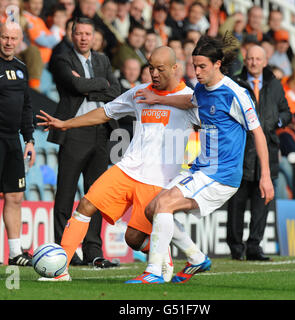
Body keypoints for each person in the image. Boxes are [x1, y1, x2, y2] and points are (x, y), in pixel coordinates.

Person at [37, 45, 199, 281]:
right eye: (151, 68)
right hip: (127, 169)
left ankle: (163, 255)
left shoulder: (190, 99)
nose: (153, 73)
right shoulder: (140, 92)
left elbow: (212, 124)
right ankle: (60, 270)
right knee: (85, 204)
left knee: (133, 239)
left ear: (175, 68)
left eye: (160, 69)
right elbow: (106, 112)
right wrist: (66, 123)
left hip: (158, 180)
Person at [124, 35, 275, 284]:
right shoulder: (202, 90)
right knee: (153, 209)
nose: (197, 71)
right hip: (200, 168)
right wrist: (159, 98)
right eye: (195, 66)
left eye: (202, 66)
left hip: (221, 174)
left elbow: (258, 132)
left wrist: (266, 177)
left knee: (164, 207)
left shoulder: (235, 93)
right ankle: (196, 258)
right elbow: (189, 101)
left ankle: (153, 272)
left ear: (217, 64)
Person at [48, 17, 121, 267]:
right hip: (74, 132)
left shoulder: (102, 59)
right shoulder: (61, 59)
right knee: (66, 193)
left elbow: (116, 91)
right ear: (72, 35)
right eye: (79, 33)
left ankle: (93, 253)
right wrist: (99, 84)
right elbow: (75, 85)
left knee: (96, 195)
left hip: (101, 130)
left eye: (87, 34)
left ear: (93, 36)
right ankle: (63, 250)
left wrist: (90, 87)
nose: (83, 38)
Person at [226, 45, 291, 261]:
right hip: (241, 151)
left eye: (257, 59)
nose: (253, 62)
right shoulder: (234, 83)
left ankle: (254, 246)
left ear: (265, 61)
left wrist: (276, 121)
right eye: (250, 58)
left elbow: (286, 112)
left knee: (261, 203)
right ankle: (236, 248)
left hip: (267, 152)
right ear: (245, 60)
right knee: (236, 203)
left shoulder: (275, 85)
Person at [0, 22, 36, 266]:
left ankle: (15, 254)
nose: (8, 42)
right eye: (4, 37)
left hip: (13, 141)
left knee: (15, 197)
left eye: (13, 38)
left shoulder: (22, 68)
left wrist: (30, 139)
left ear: (19, 40)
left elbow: (26, 107)